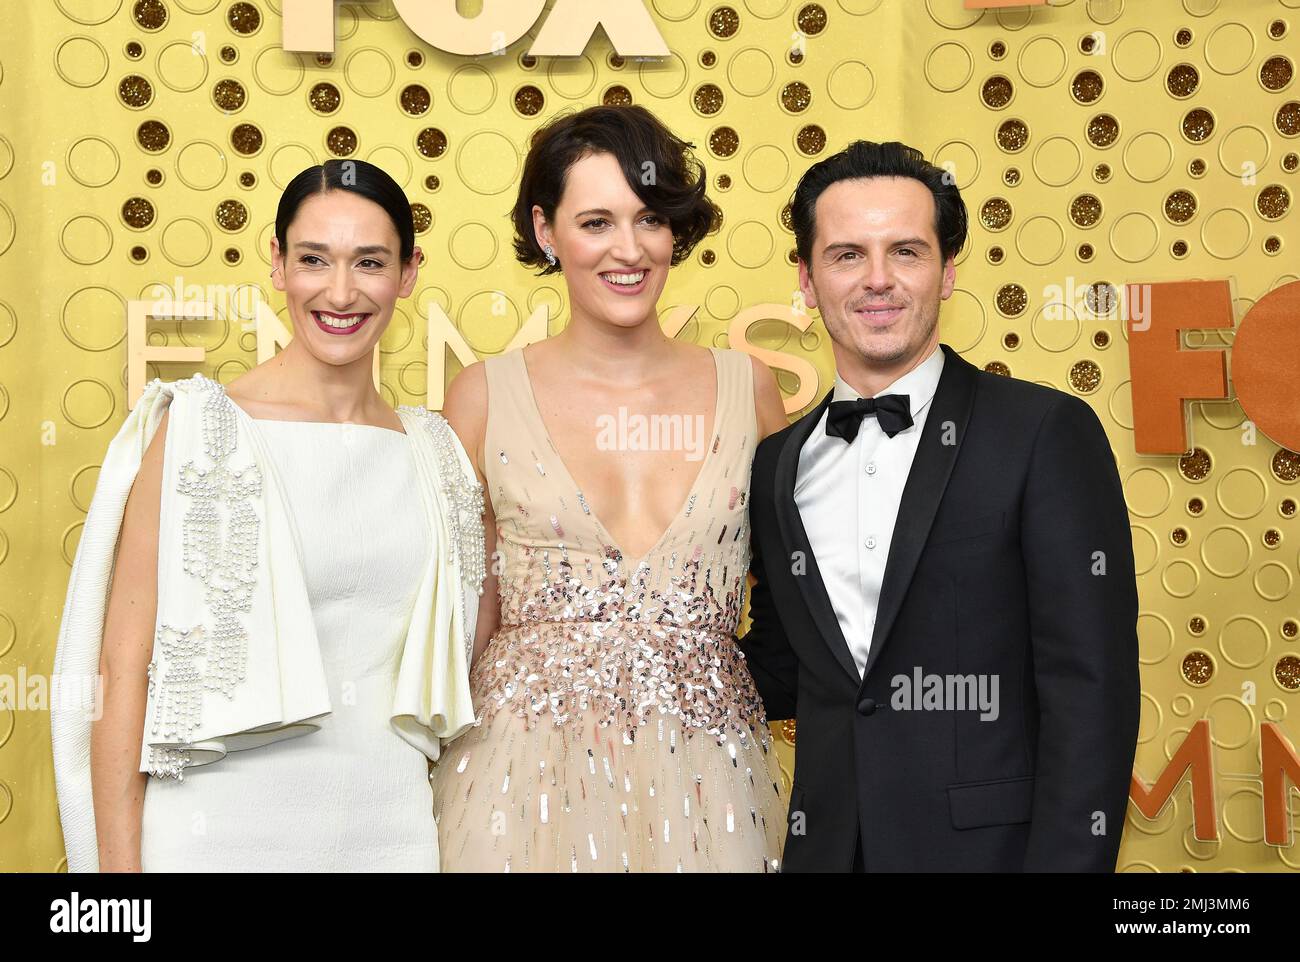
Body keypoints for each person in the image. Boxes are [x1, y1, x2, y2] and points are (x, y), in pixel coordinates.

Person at [50, 159, 485, 872]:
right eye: (314, 259)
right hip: (215, 839)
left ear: (408, 273)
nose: (340, 292)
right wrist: (121, 884)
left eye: (370, 263)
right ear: (278, 264)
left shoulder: (435, 454)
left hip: (394, 836)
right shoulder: (196, 429)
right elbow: (121, 667)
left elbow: (467, 668)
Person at [741, 140, 1140, 872]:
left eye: (907, 251)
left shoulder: (1044, 433)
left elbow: (1093, 692)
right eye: (847, 255)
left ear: (948, 270)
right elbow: (783, 668)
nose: (879, 280)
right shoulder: (776, 466)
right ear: (805, 276)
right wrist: (622, 658)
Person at [429, 105, 789, 872]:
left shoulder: (748, 389)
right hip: (515, 781)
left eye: (650, 219)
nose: (628, 250)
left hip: (713, 779)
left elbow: (795, 605)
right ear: (545, 231)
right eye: (596, 222)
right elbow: (467, 610)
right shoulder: (482, 396)